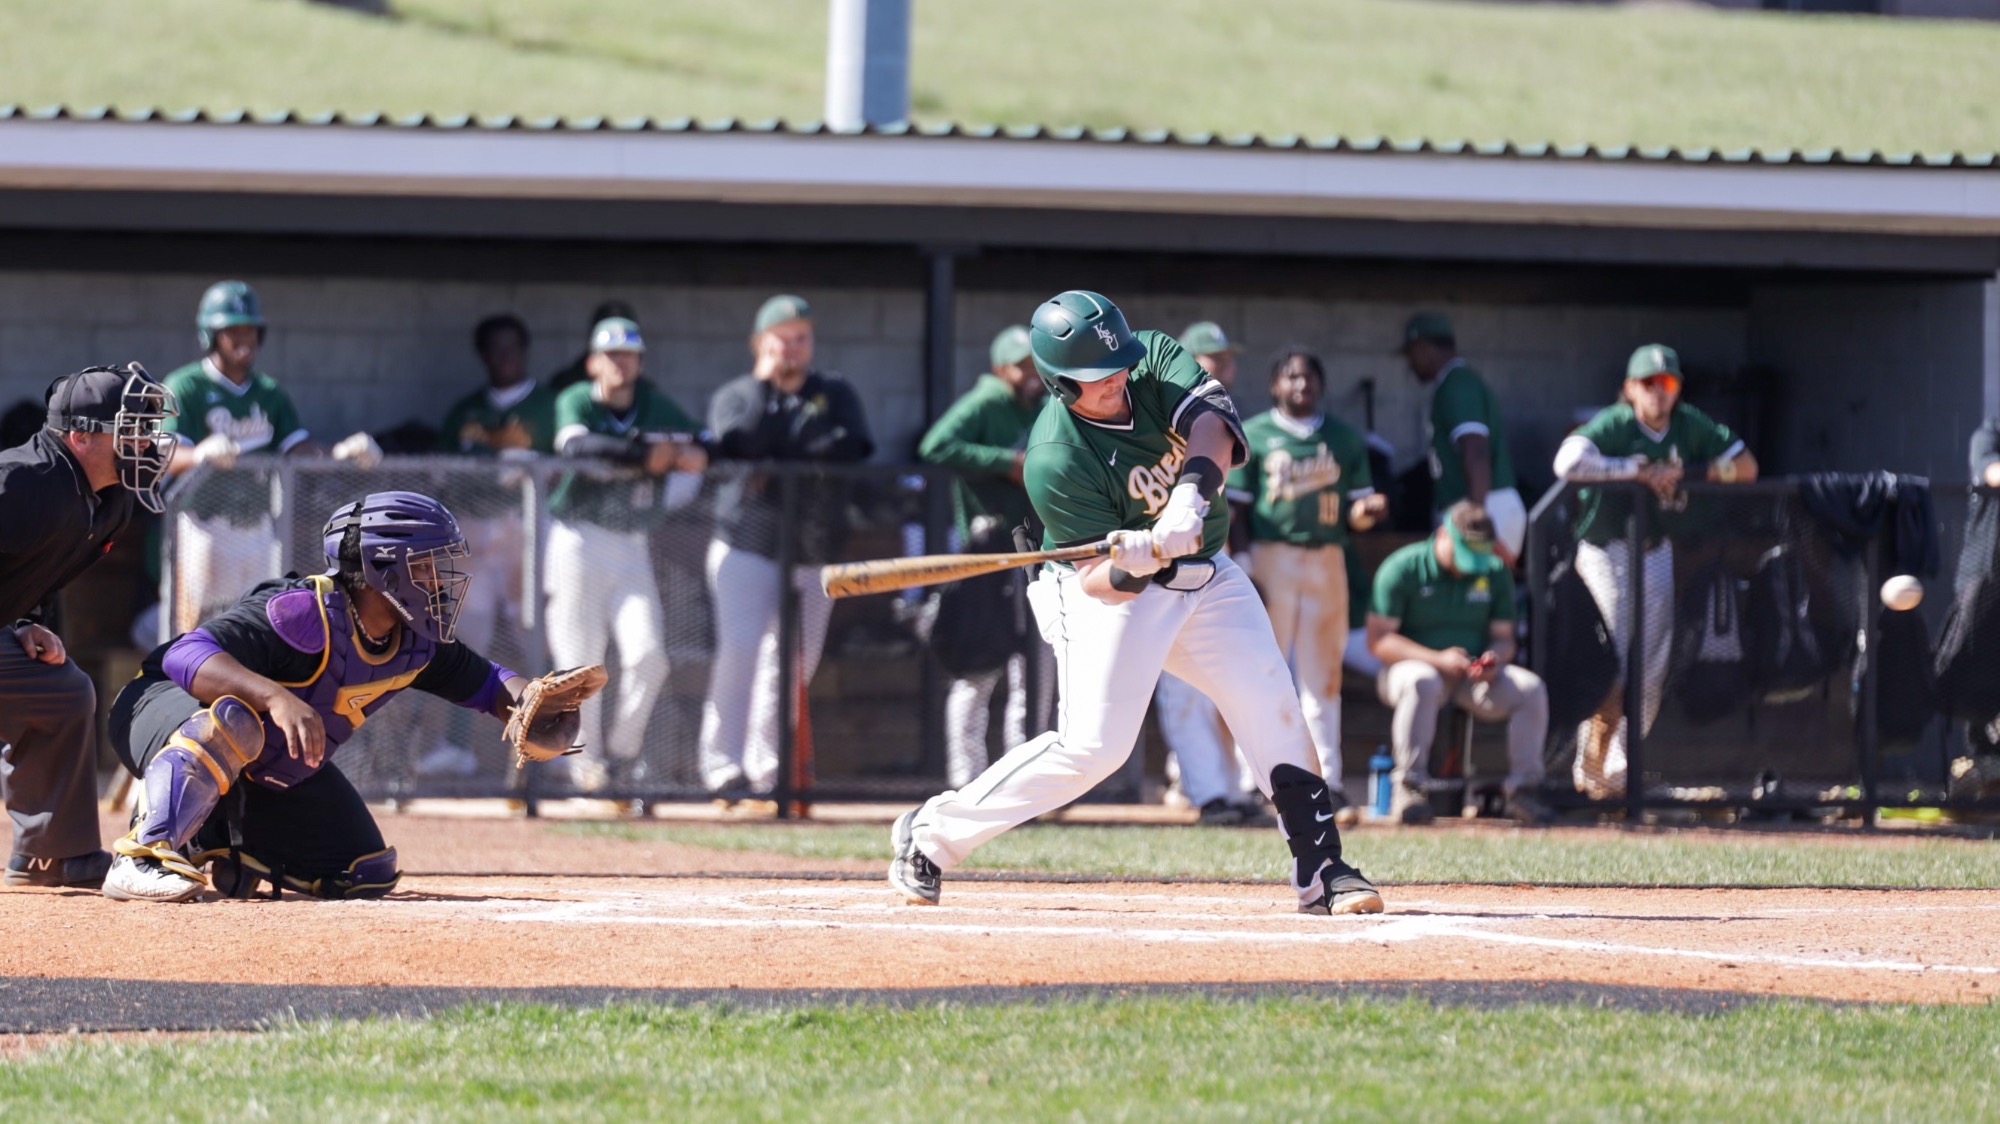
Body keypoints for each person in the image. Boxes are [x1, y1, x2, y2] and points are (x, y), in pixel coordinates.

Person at [889, 290, 1382, 916]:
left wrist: (1189, 500)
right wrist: (1133, 565)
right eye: (1098, 377)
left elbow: (1213, 426)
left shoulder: (1150, 356)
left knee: (1271, 700)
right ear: (1061, 384)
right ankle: (930, 833)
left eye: (1118, 362)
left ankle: (1322, 866)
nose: (1117, 379)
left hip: (1205, 571)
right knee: (1094, 749)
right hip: (1103, 596)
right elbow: (1094, 579)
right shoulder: (1054, 457)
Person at [100, 492, 535, 902]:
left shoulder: (416, 642)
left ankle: (211, 837)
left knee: (361, 871)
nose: (441, 580)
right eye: (427, 566)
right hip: (152, 704)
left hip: (257, 763)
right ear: (383, 570)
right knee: (236, 722)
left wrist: (533, 706)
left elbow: (490, 684)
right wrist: (274, 696)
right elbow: (183, 655)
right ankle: (141, 853)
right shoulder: (302, 612)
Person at [0, 365, 178, 888]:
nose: (144, 442)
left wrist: (25, 622)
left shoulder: (113, 499)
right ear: (80, 437)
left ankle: (53, 853)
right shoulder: (22, 483)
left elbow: (39, 567)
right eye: (129, 431)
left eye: (146, 429)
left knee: (62, 690)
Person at [1554, 343, 1757, 801]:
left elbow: (1746, 466)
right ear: (1630, 388)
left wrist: (1690, 472)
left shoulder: (1689, 425)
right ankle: (1589, 765)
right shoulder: (1617, 423)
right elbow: (1565, 463)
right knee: (1616, 658)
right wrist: (1635, 470)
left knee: (1652, 663)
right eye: (1649, 384)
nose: (1659, 393)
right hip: (1606, 549)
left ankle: (1619, 766)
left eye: (1667, 384)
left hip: (1655, 548)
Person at [699, 295, 874, 795]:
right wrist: (764, 383)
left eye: (802, 338)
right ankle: (723, 767)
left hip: (814, 547)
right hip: (746, 544)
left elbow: (852, 445)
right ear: (761, 344)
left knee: (796, 664)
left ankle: (768, 769)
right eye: (783, 339)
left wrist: (787, 447)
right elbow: (738, 439)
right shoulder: (738, 393)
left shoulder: (834, 391)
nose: (794, 349)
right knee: (741, 653)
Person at [161, 281, 382, 633]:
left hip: (258, 525)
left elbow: (298, 451)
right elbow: (162, 455)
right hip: (202, 523)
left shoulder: (269, 393)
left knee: (260, 622)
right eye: (233, 330)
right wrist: (200, 453)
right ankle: (183, 687)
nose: (244, 339)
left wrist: (340, 452)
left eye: (250, 330)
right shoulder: (187, 386)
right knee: (193, 624)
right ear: (212, 334)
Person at [546, 317, 708, 791]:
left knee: (649, 655)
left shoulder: (654, 404)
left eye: (629, 355)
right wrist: (642, 455)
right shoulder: (577, 397)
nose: (620, 363)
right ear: (594, 361)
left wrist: (686, 450)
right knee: (580, 658)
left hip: (632, 544)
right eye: (611, 355)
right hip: (578, 538)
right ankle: (582, 766)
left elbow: (705, 440)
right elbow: (575, 446)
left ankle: (620, 754)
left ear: (639, 362)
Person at [1231, 348, 1387, 818]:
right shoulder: (1254, 434)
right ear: (1276, 385)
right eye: (1291, 377)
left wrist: (1368, 513)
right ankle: (1253, 780)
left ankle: (1328, 778)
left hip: (1326, 556)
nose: (1301, 385)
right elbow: (1236, 507)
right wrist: (1243, 562)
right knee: (1259, 672)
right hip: (1271, 554)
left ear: (1320, 384)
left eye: (1309, 377)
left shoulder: (1343, 437)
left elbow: (1357, 510)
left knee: (1324, 678)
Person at [916, 325, 1054, 787]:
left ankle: (1021, 784)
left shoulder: (1046, 407)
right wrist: (1003, 462)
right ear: (1001, 368)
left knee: (1033, 672)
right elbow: (935, 445)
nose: (1032, 374)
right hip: (986, 551)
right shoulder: (987, 399)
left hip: (1035, 551)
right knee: (979, 667)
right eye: (1022, 366)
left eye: (1036, 364)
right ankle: (966, 781)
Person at [423, 313, 558, 777]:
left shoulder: (548, 406)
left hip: (526, 532)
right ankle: (459, 747)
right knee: (469, 641)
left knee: (538, 637)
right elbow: (441, 473)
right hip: (475, 536)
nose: (505, 358)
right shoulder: (466, 412)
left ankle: (556, 745)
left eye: (513, 349)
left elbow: (567, 472)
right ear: (484, 356)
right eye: (496, 350)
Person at [1367, 501, 1549, 825]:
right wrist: (1437, 659)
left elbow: (1505, 637)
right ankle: (1409, 789)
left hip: (1471, 677)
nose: (1470, 566)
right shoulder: (1404, 568)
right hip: (1410, 672)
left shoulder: (1493, 571)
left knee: (1530, 689)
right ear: (1442, 536)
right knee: (1421, 680)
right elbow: (1379, 641)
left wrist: (1495, 659)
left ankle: (1523, 792)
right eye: (1464, 554)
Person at [1154, 320, 1264, 825]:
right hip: (1158, 564)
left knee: (1230, 683)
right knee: (1182, 694)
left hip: (1210, 562)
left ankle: (1235, 791)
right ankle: (1211, 795)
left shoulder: (1217, 413)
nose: (1223, 368)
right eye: (1213, 359)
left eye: (1225, 359)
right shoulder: (1161, 409)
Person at [1398, 313, 1525, 561]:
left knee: (1478, 596)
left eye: (1411, 353)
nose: (1410, 363)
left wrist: (1476, 515)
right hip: (1476, 505)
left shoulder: (1458, 384)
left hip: (1486, 505)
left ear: (1425, 348)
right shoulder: (1452, 383)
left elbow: (1476, 450)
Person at [548, 300, 639, 394]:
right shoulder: (565, 383)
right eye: (612, 352)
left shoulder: (644, 393)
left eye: (628, 352)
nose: (620, 360)